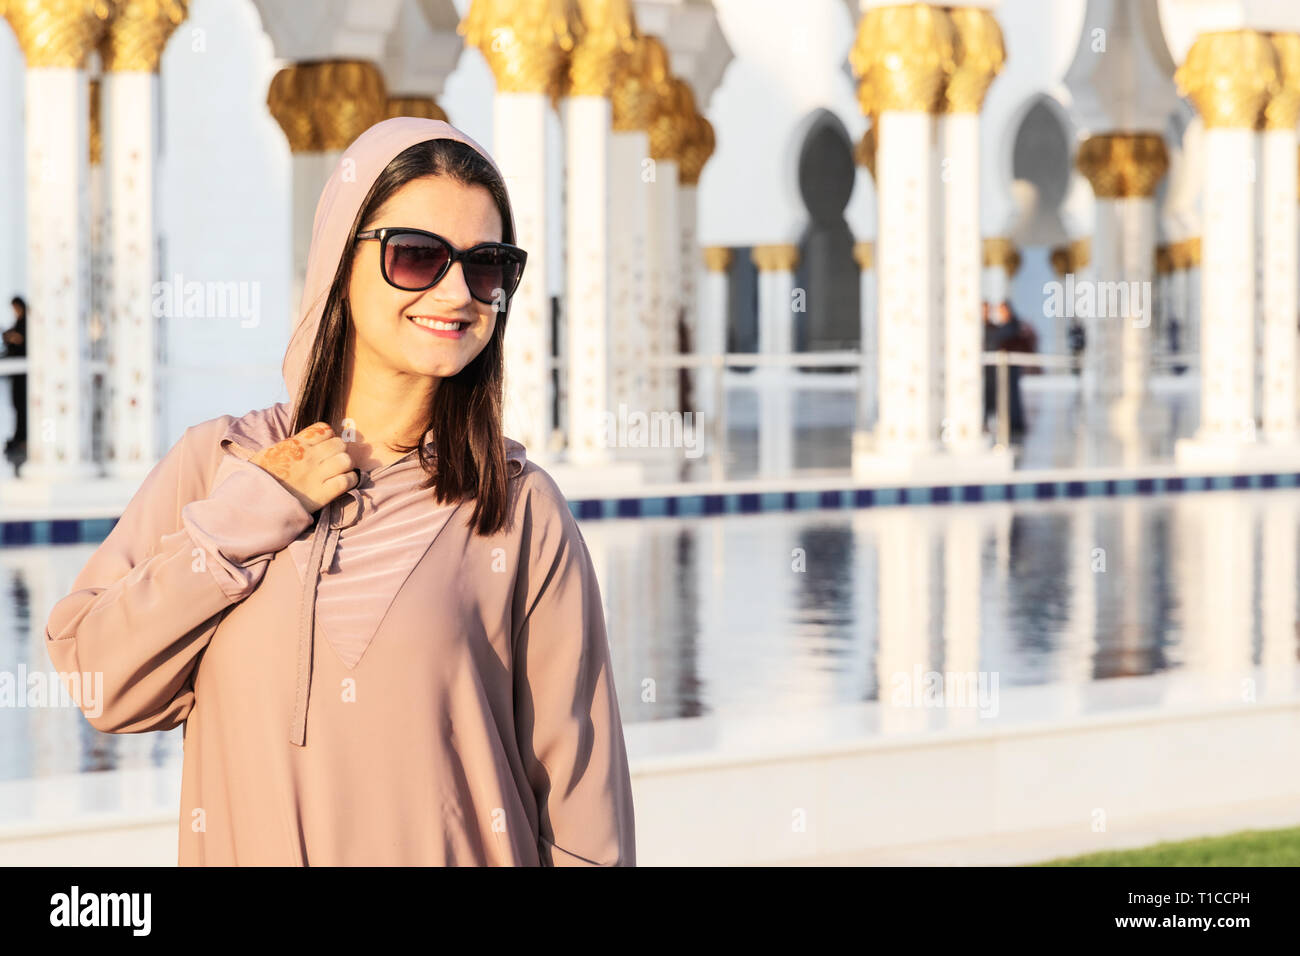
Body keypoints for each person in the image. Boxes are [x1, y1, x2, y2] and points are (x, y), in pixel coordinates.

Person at [44, 118, 636, 866]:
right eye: (417, 257)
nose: (457, 292)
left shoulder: (516, 511)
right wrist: (246, 521)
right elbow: (104, 684)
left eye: (487, 267)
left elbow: (585, 816)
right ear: (338, 260)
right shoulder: (221, 462)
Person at [982, 300, 1029, 437]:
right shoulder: (1003, 326)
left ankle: (1013, 425)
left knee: (1010, 396)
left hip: (1008, 369)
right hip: (999, 369)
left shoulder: (1010, 326)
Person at [2, 295, 26, 454]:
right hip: (17, 374)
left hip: (25, 374)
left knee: (23, 406)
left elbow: (21, 340)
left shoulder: (26, 324)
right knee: (17, 405)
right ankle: (19, 437)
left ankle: (23, 438)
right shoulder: (17, 323)